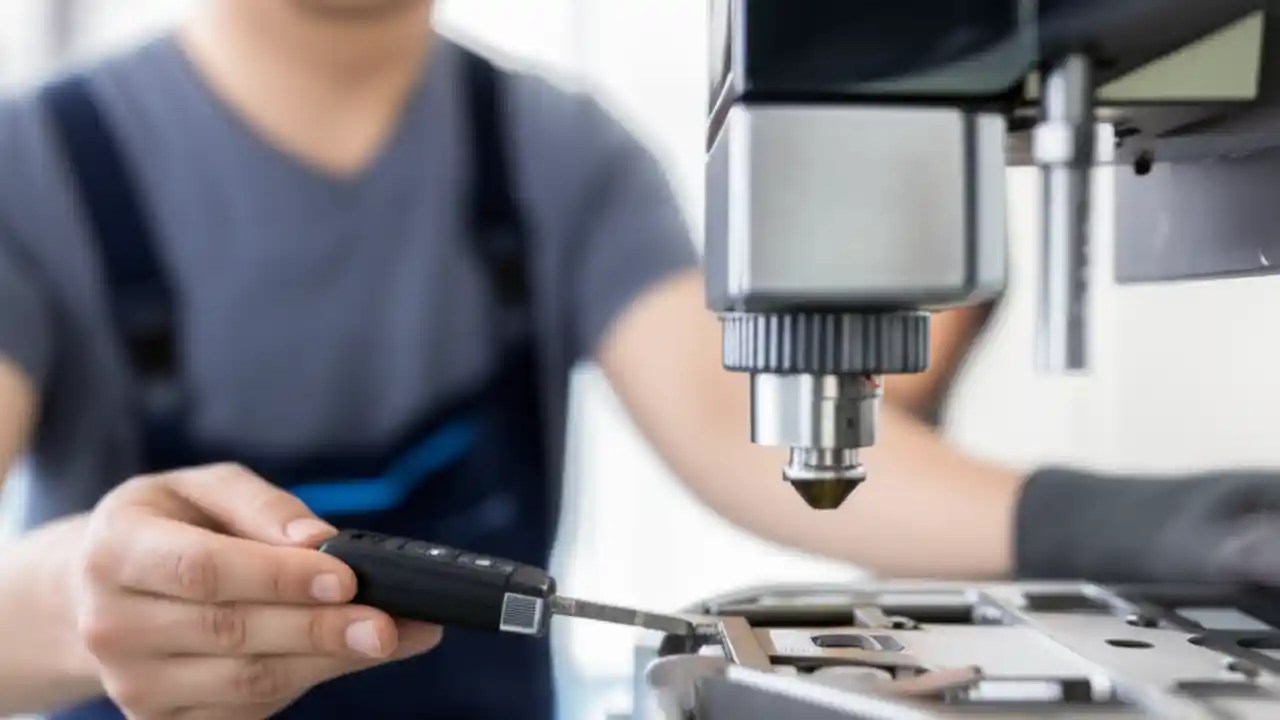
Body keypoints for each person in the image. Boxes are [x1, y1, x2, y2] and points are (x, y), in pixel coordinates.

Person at [3, 1, 1280, 718]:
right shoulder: (35, 168)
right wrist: (79, 600)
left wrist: (1189, 526)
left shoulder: (552, 152)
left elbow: (756, 451)